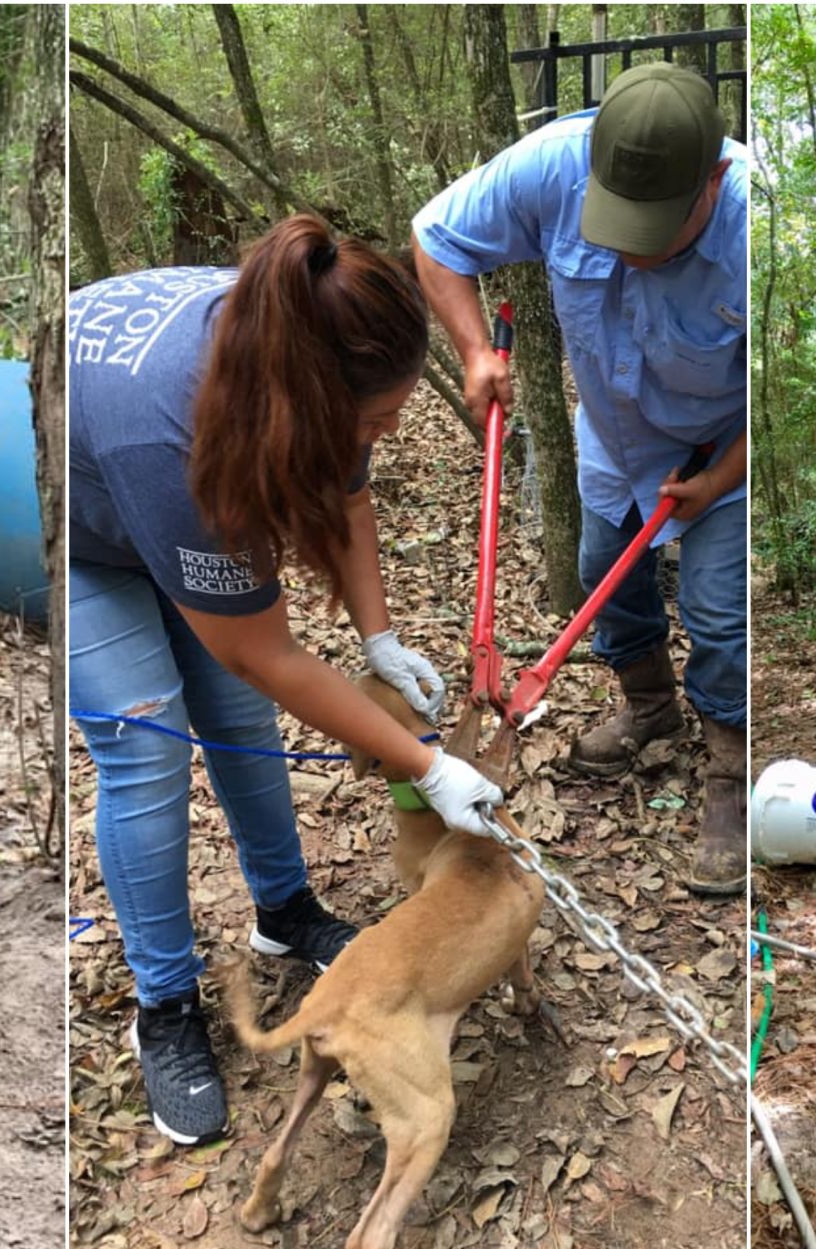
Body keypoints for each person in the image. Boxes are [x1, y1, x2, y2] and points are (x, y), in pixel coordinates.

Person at [67, 216, 506, 1145]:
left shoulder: (309, 345)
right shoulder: (173, 431)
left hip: (169, 482)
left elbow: (349, 494)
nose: (387, 433)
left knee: (239, 715)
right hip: (80, 523)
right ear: (307, 404)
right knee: (148, 745)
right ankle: (166, 1002)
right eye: (377, 419)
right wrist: (427, 766)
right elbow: (262, 651)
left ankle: (284, 908)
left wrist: (378, 637)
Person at [411, 63, 747, 896]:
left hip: (723, 447)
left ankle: (731, 771)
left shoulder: (756, 222)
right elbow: (436, 237)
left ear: (712, 180)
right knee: (603, 573)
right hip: (616, 437)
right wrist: (474, 352)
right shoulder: (554, 163)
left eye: (654, 227)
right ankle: (650, 708)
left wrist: (718, 479)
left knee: (717, 609)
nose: (629, 246)